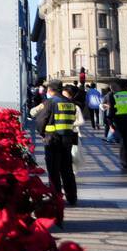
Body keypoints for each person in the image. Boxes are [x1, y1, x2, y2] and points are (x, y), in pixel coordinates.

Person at [37, 82, 78, 220]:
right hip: (67, 140)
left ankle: (56, 197)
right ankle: (72, 197)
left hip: (52, 140)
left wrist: (42, 133)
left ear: (50, 90)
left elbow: (41, 120)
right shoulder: (70, 103)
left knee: (53, 171)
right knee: (67, 170)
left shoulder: (50, 102)